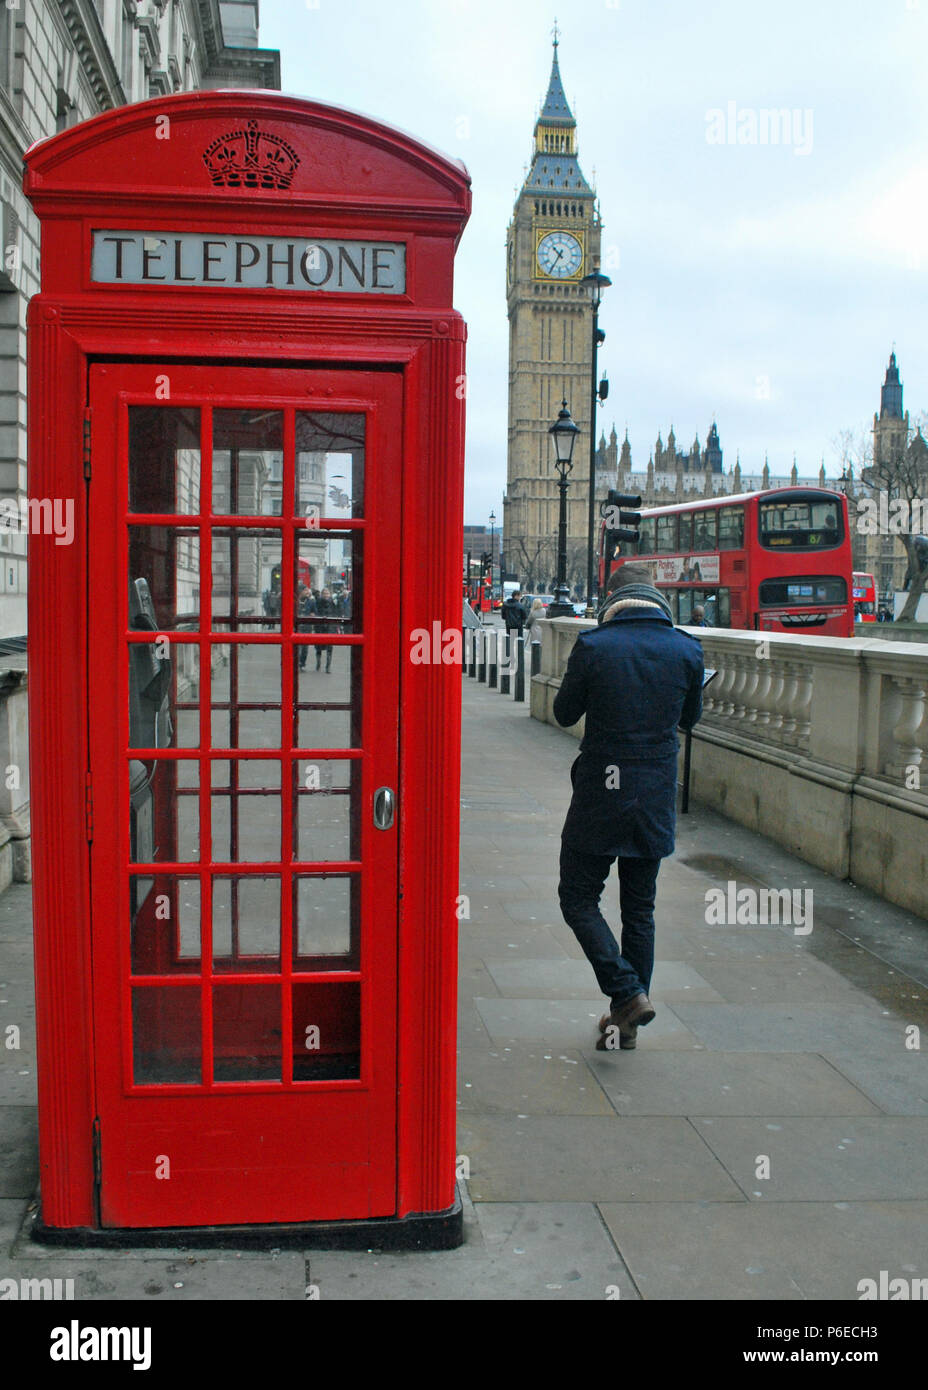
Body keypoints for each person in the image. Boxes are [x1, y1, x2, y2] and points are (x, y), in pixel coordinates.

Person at [554, 563, 704, 1051]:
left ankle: (625, 994)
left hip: (602, 788)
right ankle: (628, 1017)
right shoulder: (686, 648)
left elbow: (564, 713)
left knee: (578, 897)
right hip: (654, 790)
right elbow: (690, 719)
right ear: (655, 598)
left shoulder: (594, 647)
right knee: (639, 908)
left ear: (612, 598)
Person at [313, 586, 339, 671]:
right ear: (321, 594)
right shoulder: (318, 602)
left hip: (330, 627)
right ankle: (318, 663)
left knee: (330, 648)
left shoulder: (333, 602)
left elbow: (336, 614)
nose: (326, 595)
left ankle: (328, 666)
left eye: (327, 593)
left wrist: (337, 626)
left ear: (330, 594)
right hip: (320, 626)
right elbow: (315, 612)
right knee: (318, 647)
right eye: (324, 593)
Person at [296, 583, 315, 670]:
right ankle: (296, 662)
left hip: (307, 626)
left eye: (307, 590)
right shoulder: (295, 601)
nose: (308, 591)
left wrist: (313, 615)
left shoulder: (311, 601)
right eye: (305, 590)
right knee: (298, 647)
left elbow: (315, 612)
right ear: (301, 591)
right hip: (297, 626)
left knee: (305, 648)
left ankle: (302, 663)